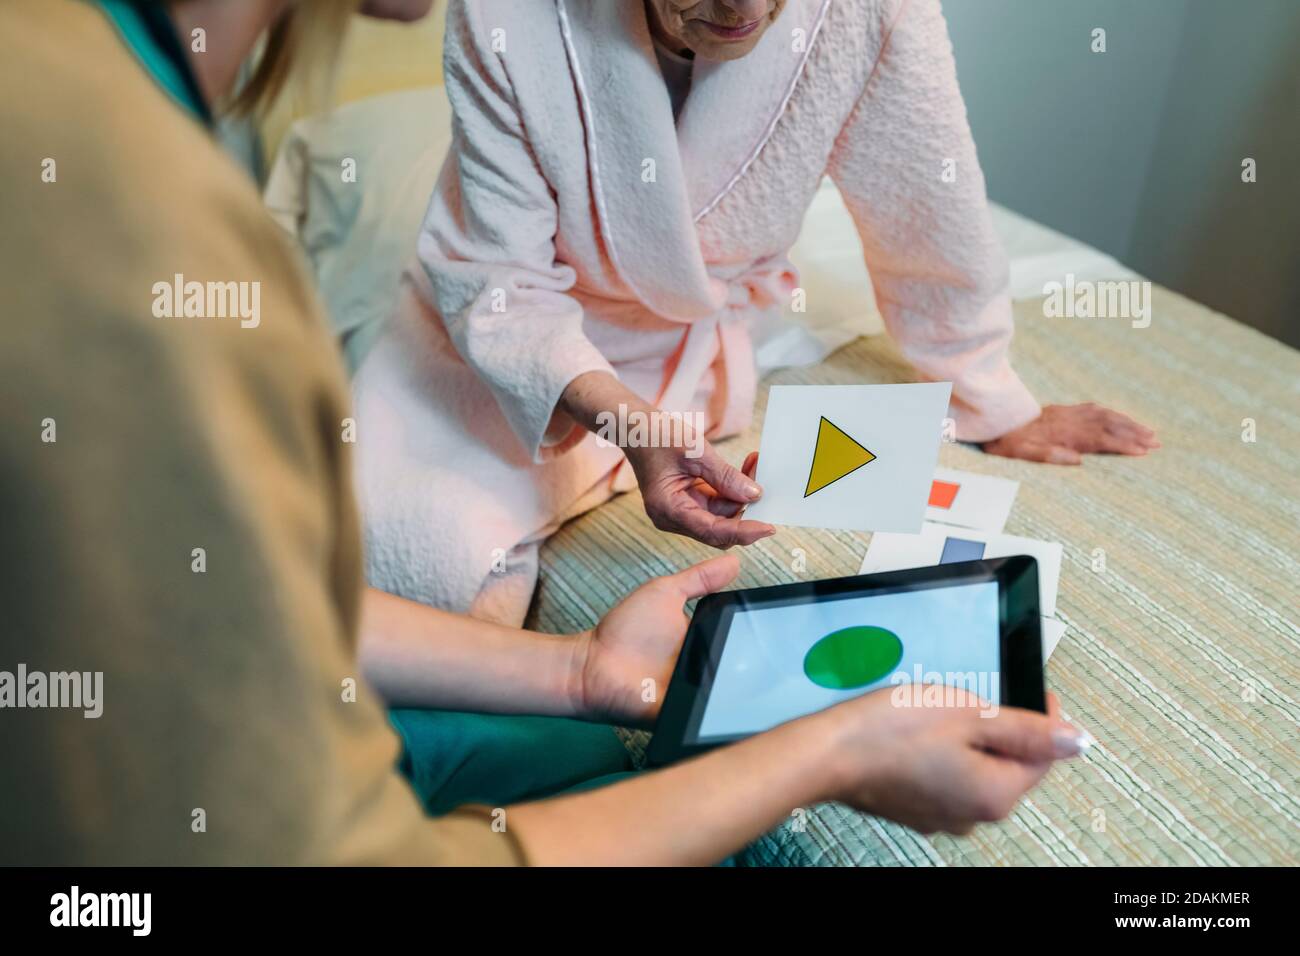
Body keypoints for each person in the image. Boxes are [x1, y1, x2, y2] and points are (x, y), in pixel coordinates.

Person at [0, 0, 1089, 866]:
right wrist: (834, 745)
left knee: (607, 740)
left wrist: (577, 669)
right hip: (499, 347)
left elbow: (230, 587)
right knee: (432, 538)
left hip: (665, 362)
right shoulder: (138, 224)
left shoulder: (102, 95)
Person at [353, 0, 1159, 622]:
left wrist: (989, 392)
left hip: (676, 343)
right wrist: (634, 427)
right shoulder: (508, 18)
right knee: (416, 537)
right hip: (502, 338)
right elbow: (498, 276)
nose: (743, 7)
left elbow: (927, 204)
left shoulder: (864, 11)